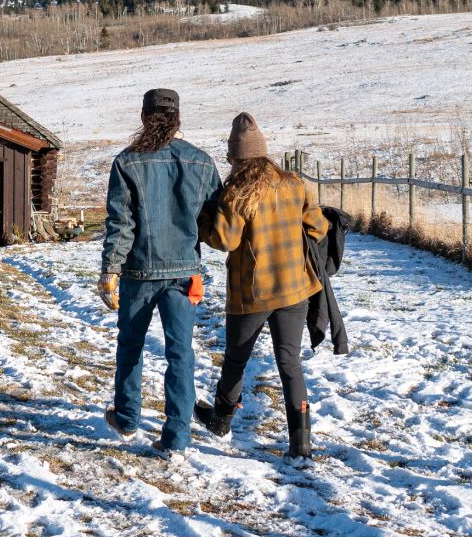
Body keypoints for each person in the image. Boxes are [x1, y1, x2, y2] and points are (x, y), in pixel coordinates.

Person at [194, 113, 328, 461]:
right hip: (294, 289)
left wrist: (203, 218)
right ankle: (301, 443)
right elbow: (317, 228)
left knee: (236, 360)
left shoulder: (236, 192)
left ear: (235, 158)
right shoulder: (294, 184)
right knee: (289, 363)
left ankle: (221, 420)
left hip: (251, 293)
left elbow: (224, 239)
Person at [99, 88, 219, 455]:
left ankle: (126, 418)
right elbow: (216, 222)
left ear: (143, 117)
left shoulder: (127, 162)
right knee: (181, 354)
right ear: (178, 118)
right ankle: (177, 437)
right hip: (185, 273)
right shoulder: (202, 163)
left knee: (130, 346)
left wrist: (109, 272)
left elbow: (121, 224)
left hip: (138, 272)